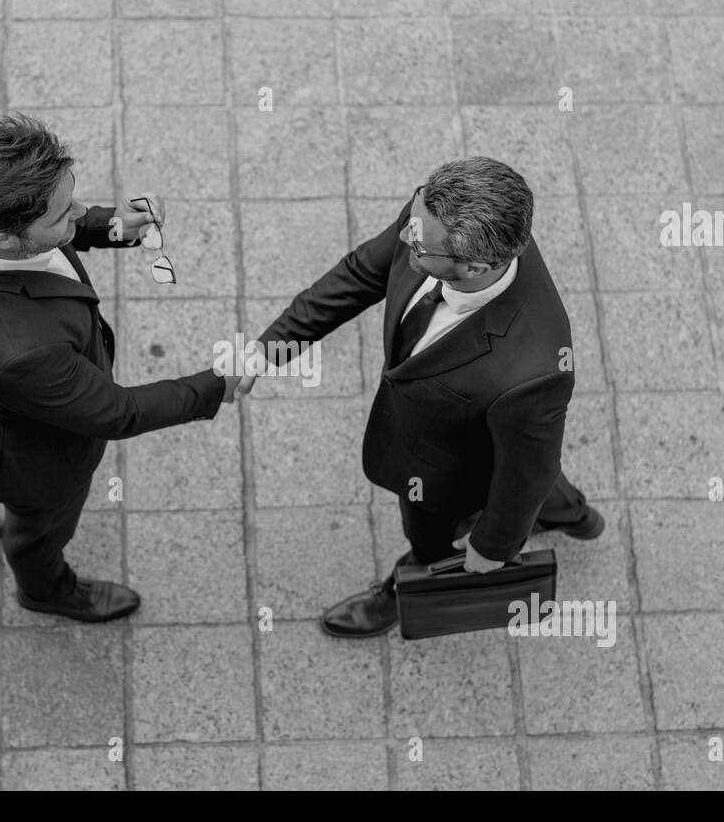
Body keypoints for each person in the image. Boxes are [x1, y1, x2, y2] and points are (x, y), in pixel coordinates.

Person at [236, 157, 603, 637]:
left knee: (462, 515)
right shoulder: (431, 218)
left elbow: (528, 468)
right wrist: (268, 350)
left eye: (419, 244)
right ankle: (575, 515)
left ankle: (408, 582)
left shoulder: (534, 370)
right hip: (487, 428)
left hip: (439, 466)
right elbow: (360, 275)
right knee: (524, 466)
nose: (406, 236)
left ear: (474, 266)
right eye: (411, 224)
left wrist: (493, 546)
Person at [0, 114, 238, 622]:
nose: (79, 212)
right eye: (64, 215)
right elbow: (117, 412)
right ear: (2, 239)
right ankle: (45, 590)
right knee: (38, 526)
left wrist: (111, 225)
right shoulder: (21, 350)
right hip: (37, 449)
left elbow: (52, 225)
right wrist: (216, 385)